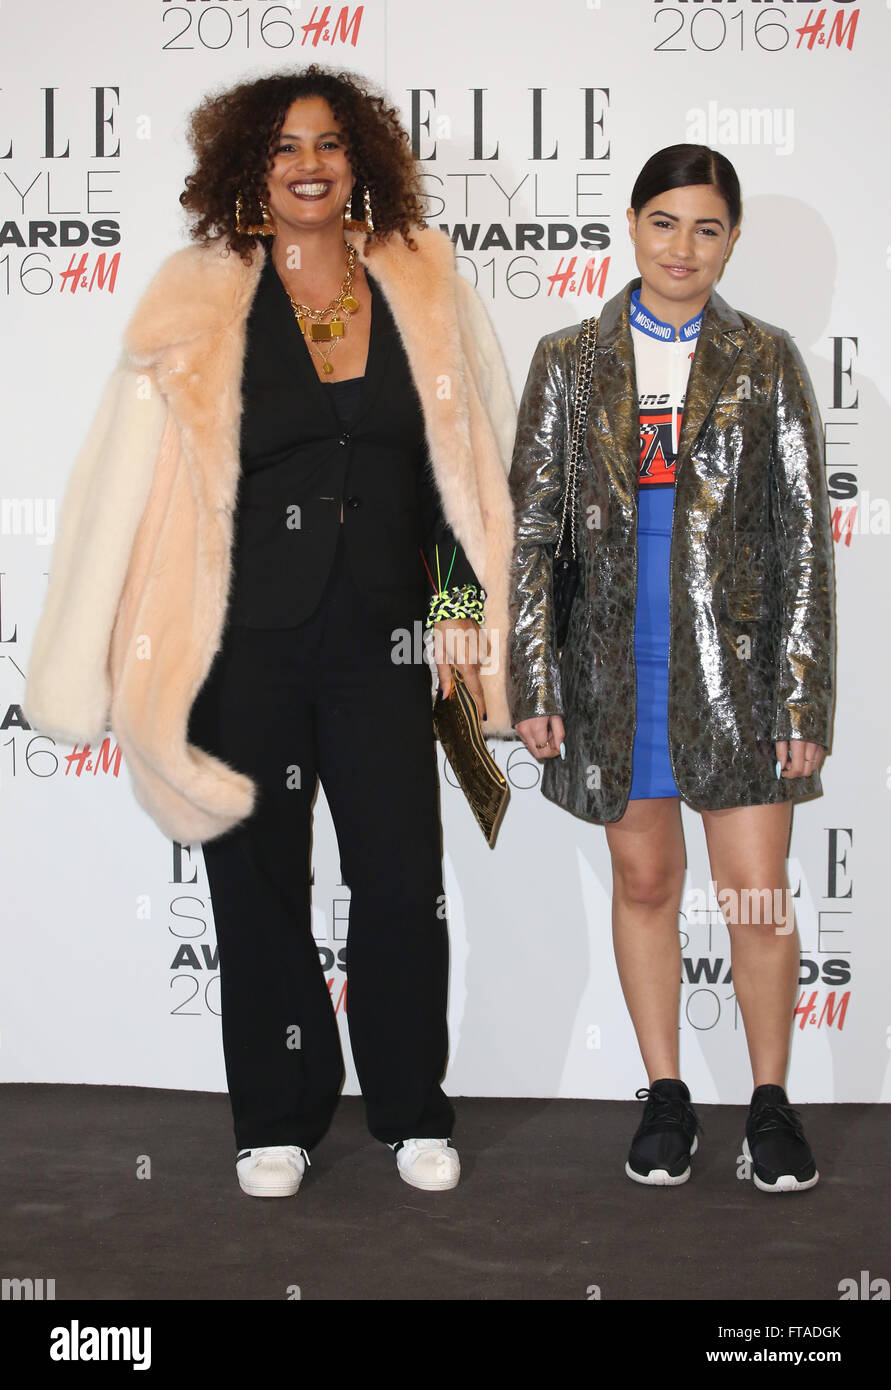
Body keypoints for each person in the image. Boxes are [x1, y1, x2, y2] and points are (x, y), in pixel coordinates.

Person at [23, 66, 516, 1198]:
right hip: (243, 641)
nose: (310, 163)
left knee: (401, 880)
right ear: (250, 169)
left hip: (388, 644)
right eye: (286, 146)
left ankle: (409, 1106)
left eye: (332, 143)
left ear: (362, 162)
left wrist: (456, 608)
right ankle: (276, 1117)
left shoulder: (425, 282)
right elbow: (128, 484)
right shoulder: (197, 295)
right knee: (259, 885)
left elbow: (467, 469)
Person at [508, 144, 835, 1193]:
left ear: (732, 238)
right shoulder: (567, 358)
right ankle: (665, 1096)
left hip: (734, 678)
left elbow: (800, 544)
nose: (682, 246)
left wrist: (800, 694)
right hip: (611, 671)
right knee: (645, 881)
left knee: (754, 896)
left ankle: (772, 1105)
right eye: (664, 221)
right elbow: (533, 535)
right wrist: (534, 681)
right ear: (633, 226)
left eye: (706, 227)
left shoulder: (768, 358)